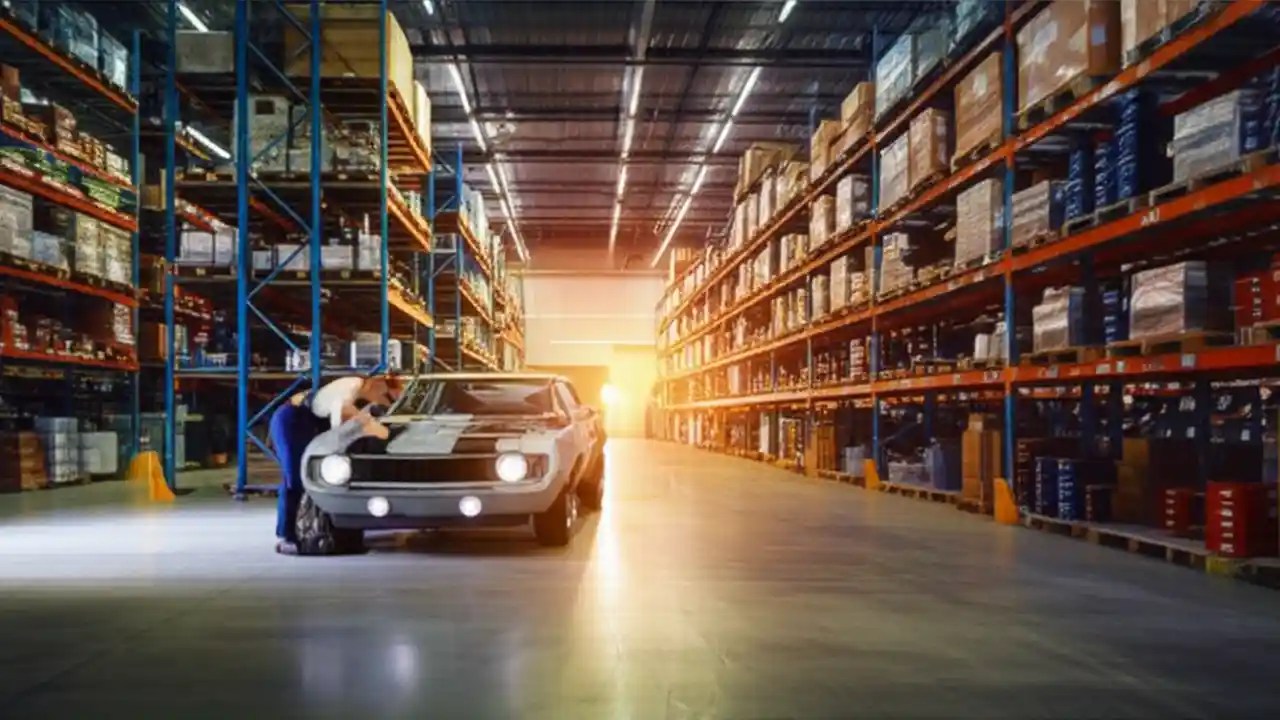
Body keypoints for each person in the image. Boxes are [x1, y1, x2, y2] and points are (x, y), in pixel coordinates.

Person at [270, 373, 403, 555]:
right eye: (387, 396)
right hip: (292, 418)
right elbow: (340, 417)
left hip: (311, 421)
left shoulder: (360, 398)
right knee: (295, 477)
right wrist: (370, 425)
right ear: (378, 385)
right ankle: (287, 536)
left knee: (315, 478)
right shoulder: (353, 384)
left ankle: (317, 532)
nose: (383, 401)